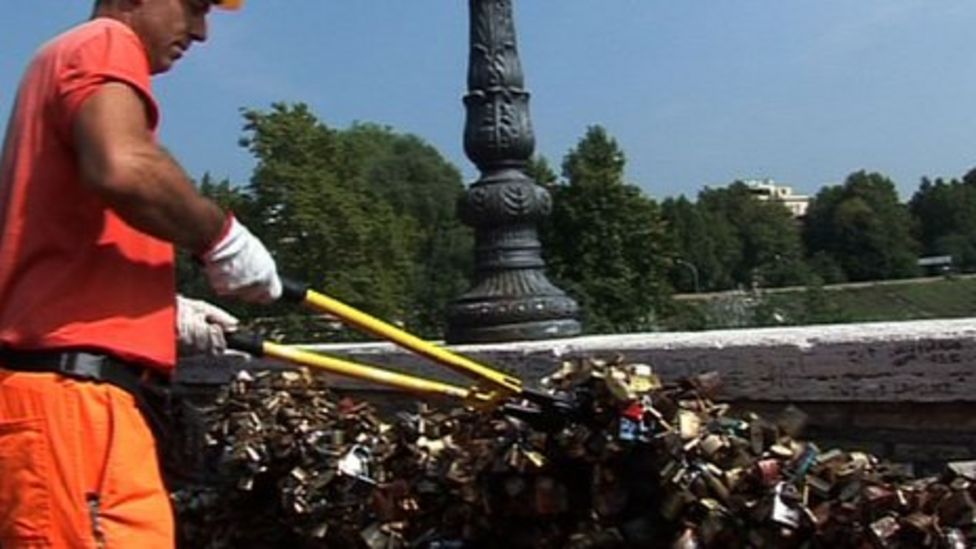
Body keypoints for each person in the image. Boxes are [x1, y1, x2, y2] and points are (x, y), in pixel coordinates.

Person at [0, 0, 279, 546]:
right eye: (194, 8)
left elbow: (56, 242)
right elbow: (125, 169)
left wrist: (155, 315)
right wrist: (220, 238)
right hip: (75, 411)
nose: (200, 32)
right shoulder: (102, 42)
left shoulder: (62, 60)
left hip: (79, 406)